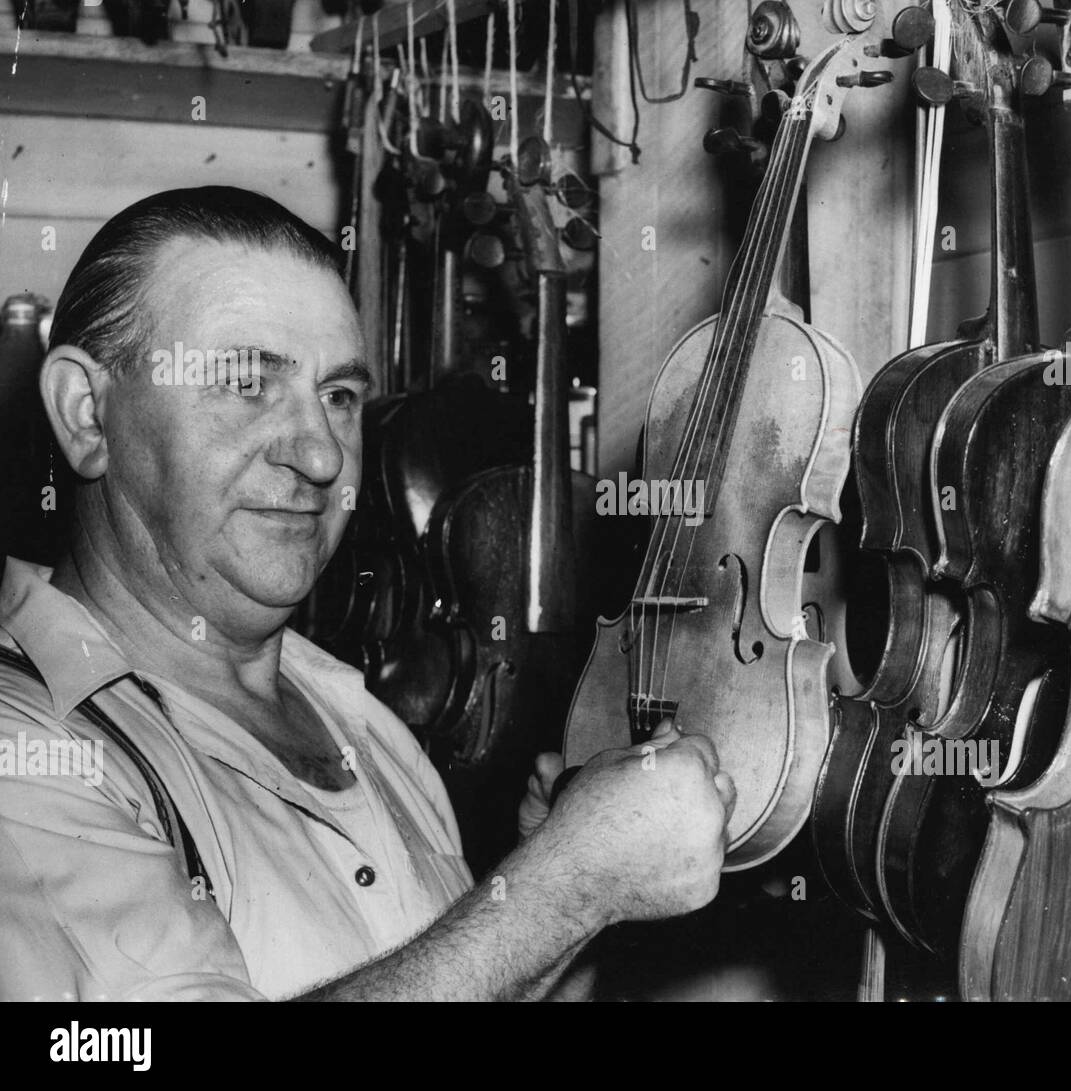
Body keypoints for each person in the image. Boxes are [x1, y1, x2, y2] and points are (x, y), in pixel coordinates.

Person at [0, 186, 735, 1001]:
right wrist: (569, 883)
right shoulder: (29, 754)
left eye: (340, 397)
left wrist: (562, 899)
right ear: (87, 415)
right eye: (247, 383)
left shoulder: (366, 724)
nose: (320, 456)